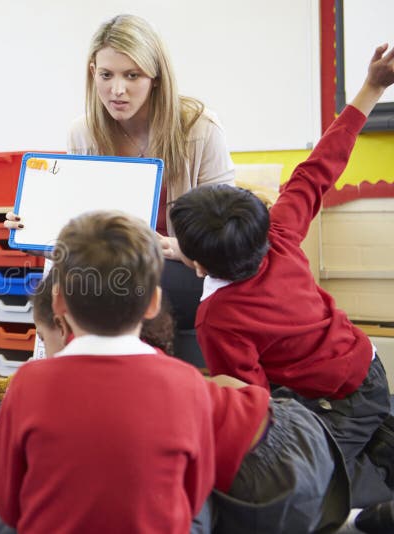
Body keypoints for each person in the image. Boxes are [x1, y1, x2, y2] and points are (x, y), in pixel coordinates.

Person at [169, 42, 394, 507]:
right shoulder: (280, 231)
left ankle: (373, 489)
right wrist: (372, 87)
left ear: (197, 263)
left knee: (298, 481)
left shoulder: (219, 319)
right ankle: (377, 433)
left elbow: (256, 406)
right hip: (368, 365)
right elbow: (321, 166)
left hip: (338, 400)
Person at [0, 264, 354, 534]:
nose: (44, 348)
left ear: (61, 323)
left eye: (43, 337)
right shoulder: (136, 353)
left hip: (273, 473)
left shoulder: (55, 377)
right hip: (294, 432)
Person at [6, 14, 235, 363]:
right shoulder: (83, 133)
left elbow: (226, 233)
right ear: (92, 72)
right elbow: (79, 221)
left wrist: (173, 246)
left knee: (112, 287)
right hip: (112, 263)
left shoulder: (200, 128)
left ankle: (124, 391)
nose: (117, 90)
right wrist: (36, 222)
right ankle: (56, 386)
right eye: (106, 75)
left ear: (155, 77)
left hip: (184, 267)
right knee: (58, 286)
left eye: (133, 76)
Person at [0, 211, 215, 533]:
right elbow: (194, 494)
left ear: (59, 304)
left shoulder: (29, 382)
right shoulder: (188, 382)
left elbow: (7, 501)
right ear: (152, 305)